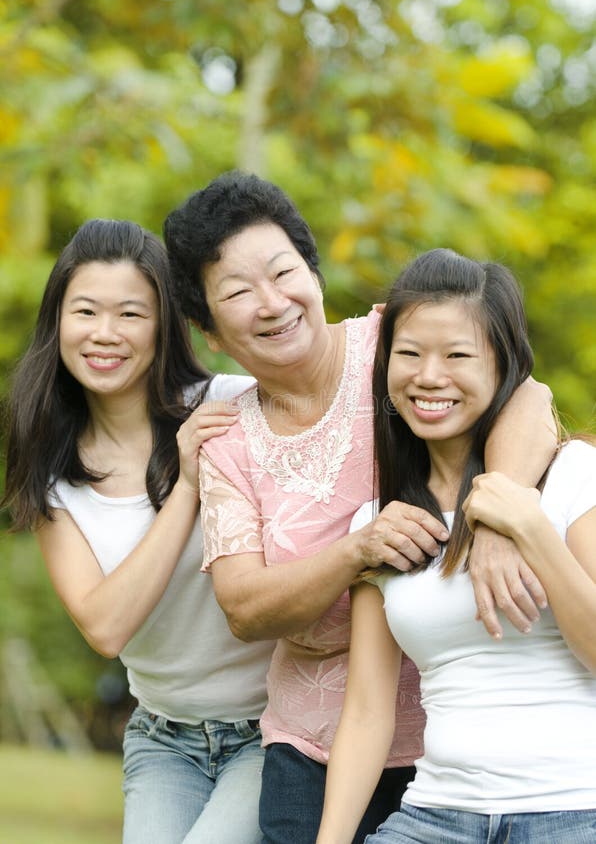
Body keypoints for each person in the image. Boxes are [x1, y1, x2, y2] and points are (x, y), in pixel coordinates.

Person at [163, 171, 558, 844]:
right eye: (236, 293)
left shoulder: (393, 345)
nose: (271, 302)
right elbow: (244, 607)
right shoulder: (227, 443)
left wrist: (495, 518)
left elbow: (530, 397)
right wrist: (356, 551)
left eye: (283, 271)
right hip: (317, 751)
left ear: (313, 275)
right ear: (210, 336)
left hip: (461, 743)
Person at [1, 219, 275, 844]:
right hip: (163, 738)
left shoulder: (231, 406)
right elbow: (104, 625)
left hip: (274, 727)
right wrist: (184, 487)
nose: (105, 334)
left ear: (162, 326)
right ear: (58, 322)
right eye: (87, 311)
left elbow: (353, 396)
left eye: (130, 313)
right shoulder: (54, 466)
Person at [316, 248, 596, 844]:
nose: (429, 377)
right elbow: (367, 713)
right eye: (410, 354)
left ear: (503, 367)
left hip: (575, 809)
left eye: (458, 356)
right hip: (436, 815)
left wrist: (522, 524)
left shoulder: (572, 476)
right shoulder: (384, 525)